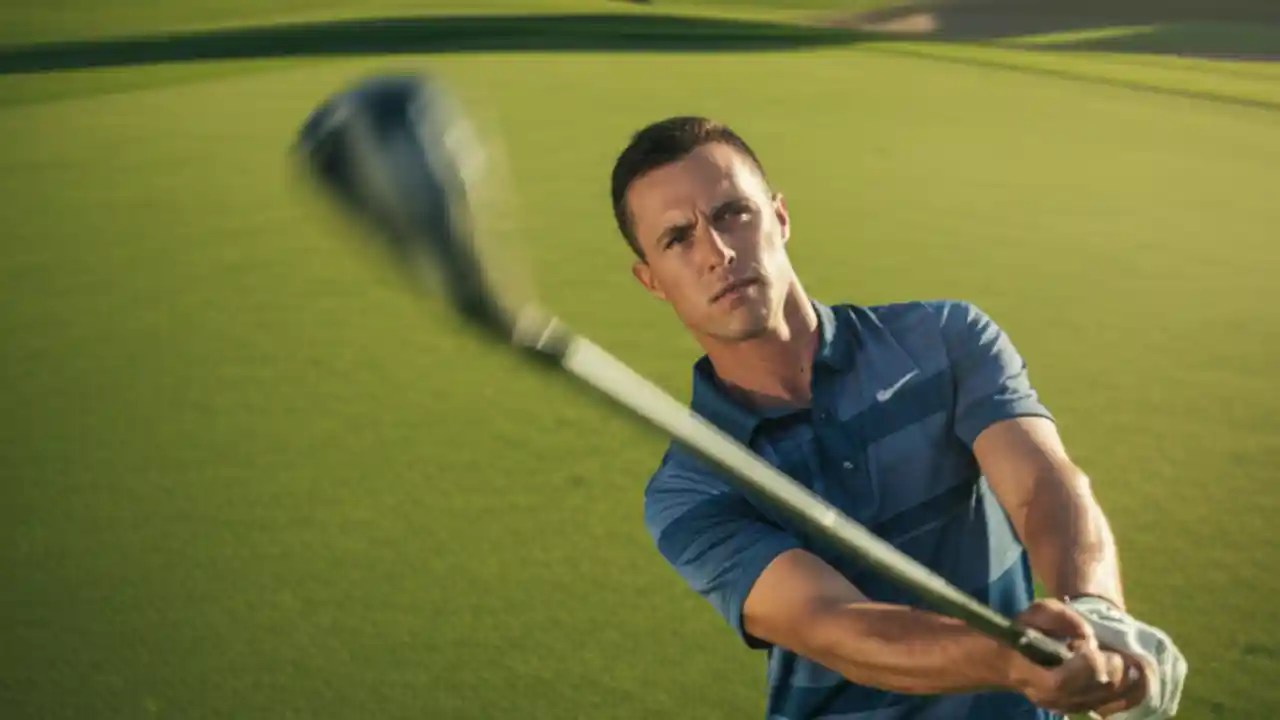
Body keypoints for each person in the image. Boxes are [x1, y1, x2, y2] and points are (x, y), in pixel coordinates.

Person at [610, 116, 1187, 720]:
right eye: (678, 238)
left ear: (779, 218)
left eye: (733, 213)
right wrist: (1006, 659)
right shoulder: (691, 491)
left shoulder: (946, 337)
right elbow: (837, 627)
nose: (718, 252)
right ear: (650, 279)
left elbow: (1042, 487)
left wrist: (1093, 613)